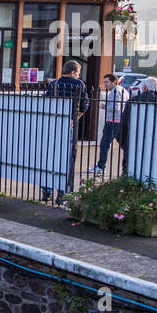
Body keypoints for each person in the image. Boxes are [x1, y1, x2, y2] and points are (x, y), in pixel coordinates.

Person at [40, 59, 90, 204]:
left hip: (53, 124)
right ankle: (62, 193)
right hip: (68, 124)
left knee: (50, 158)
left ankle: (46, 191)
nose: (78, 75)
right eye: (78, 73)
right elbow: (84, 105)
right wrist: (75, 119)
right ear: (73, 72)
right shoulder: (79, 84)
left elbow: (46, 102)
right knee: (66, 160)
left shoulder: (54, 83)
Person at [120, 76, 157, 175]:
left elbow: (124, 123)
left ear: (145, 88)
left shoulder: (134, 100)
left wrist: (123, 141)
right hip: (156, 141)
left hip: (135, 139)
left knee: (130, 168)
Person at [95, 72, 129, 172]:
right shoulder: (123, 90)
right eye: (104, 82)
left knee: (104, 144)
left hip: (112, 121)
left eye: (107, 82)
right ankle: (128, 167)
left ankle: (101, 167)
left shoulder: (115, 91)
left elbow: (116, 107)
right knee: (124, 146)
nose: (105, 84)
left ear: (114, 82)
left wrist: (105, 106)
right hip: (120, 121)